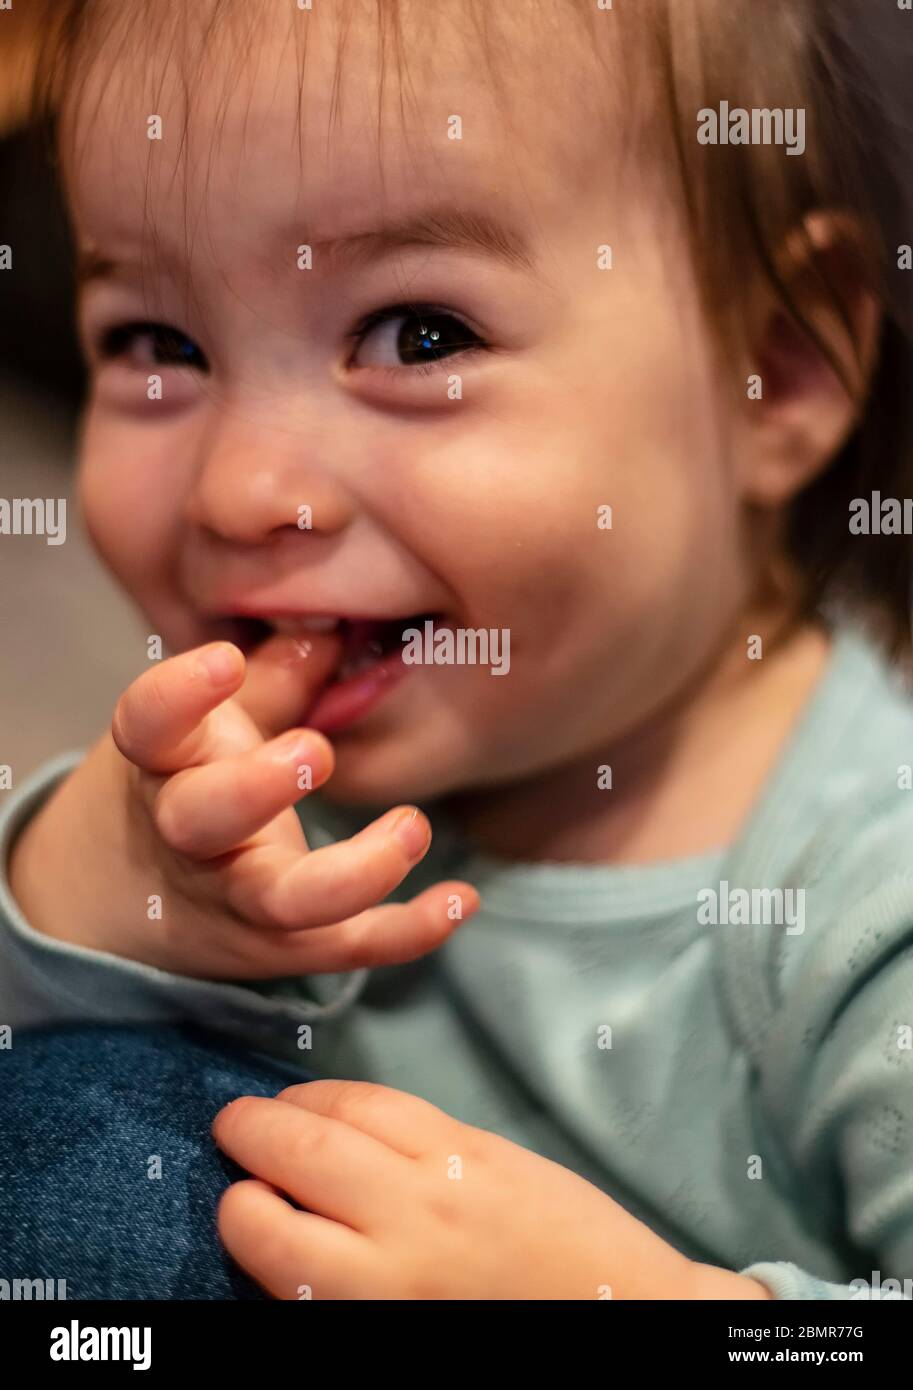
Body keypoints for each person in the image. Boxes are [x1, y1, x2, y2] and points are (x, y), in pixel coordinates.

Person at [2, 0, 913, 1299]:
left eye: (418, 334)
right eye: (160, 345)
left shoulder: (871, 892)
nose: (243, 488)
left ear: (772, 367)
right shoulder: (253, 780)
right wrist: (118, 874)